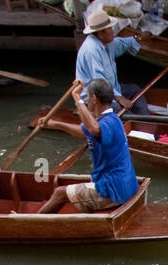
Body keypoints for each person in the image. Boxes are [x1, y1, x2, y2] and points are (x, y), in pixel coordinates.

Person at [34, 79, 138, 213]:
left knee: (60, 193)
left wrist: (77, 98)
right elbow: (82, 131)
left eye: (87, 97)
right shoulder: (112, 120)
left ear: (94, 99)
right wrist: (55, 124)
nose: (87, 100)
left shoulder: (107, 123)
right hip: (125, 185)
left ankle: (29, 224)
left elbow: (94, 129)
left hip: (112, 190)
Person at [76, 8, 151, 116]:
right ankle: (136, 121)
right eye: (110, 28)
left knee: (135, 89)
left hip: (112, 89)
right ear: (101, 33)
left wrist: (139, 37)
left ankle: (145, 118)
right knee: (119, 110)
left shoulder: (106, 42)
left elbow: (121, 43)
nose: (112, 31)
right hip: (97, 96)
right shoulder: (92, 50)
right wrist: (120, 98)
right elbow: (100, 83)